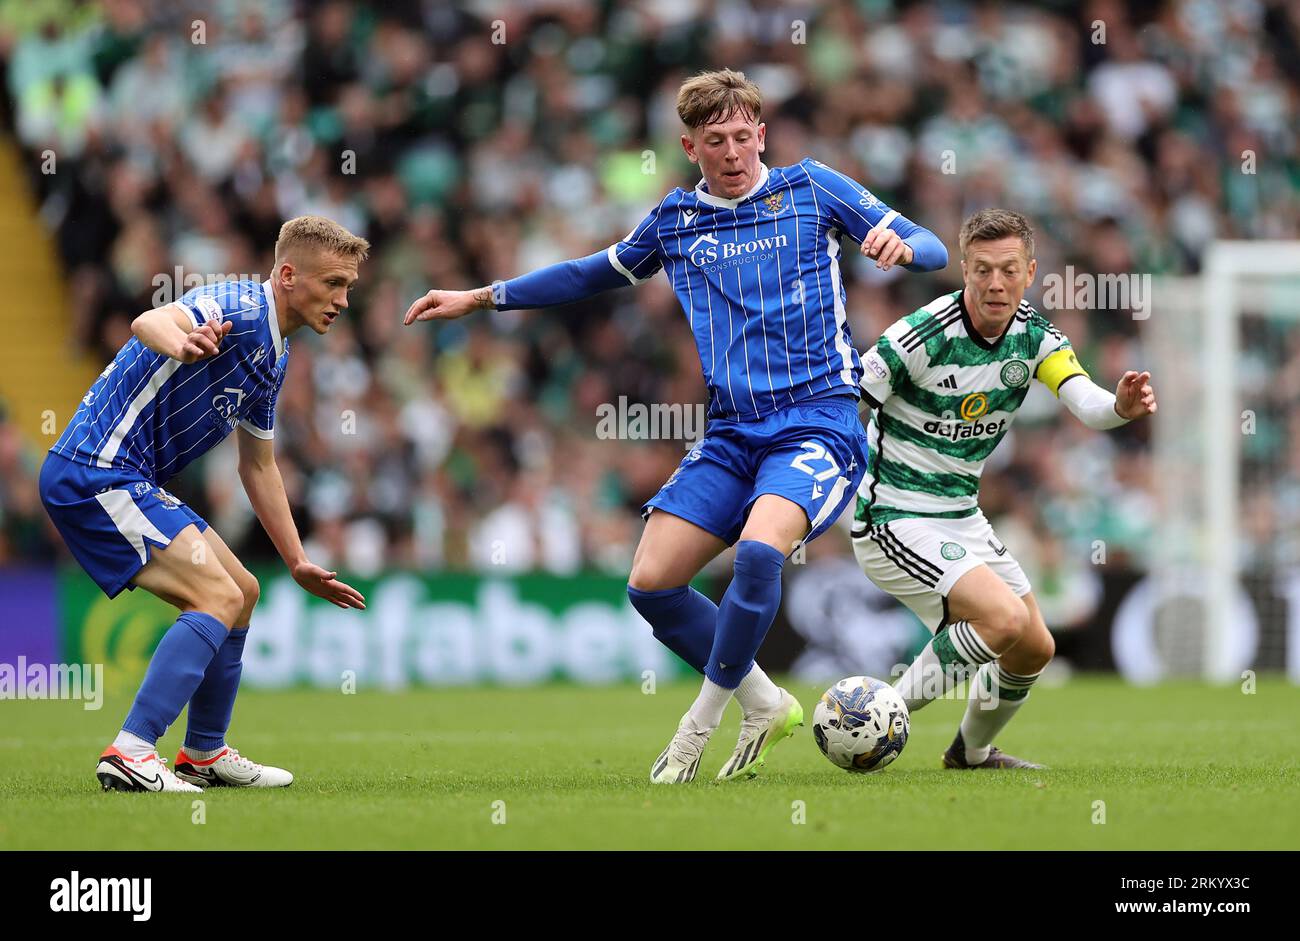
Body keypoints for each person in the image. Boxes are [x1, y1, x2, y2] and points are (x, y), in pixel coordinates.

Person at [404, 69, 947, 783]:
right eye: (715, 140)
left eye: (743, 136)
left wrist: (905, 250)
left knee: (758, 554)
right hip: (732, 432)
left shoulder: (814, 189)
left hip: (819, 420)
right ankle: (765, 702)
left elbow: (932, 245)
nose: (733, 152)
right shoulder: (675, 220)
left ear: (762, 134)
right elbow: (588, 274)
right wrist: (482, 297)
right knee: (651, 584)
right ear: (691, 147)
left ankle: (699, 726)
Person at [40, 216, 370, 792]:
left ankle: (203, 753)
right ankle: (132, 751)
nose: (343, 300)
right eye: (333, 283)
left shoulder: (275, 354)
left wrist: (296, 561)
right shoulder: (238, 308)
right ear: (288, 275)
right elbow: (150, 320)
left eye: (348, 287)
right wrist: (182, 341)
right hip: (97, 472)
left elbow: (258, 465)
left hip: (130, 478)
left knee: (242, 591)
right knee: (216, 595)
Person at [852, 208, 1157, 769]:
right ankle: (872, 717)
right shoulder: (919, 336)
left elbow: (1085, 400)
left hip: (960, 516)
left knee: (1034, 646)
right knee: (1003, 620)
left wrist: (1118, 407)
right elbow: (847, 406)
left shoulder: (1036, 338)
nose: (996, 283)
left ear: (1030, 272)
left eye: (1010, 270)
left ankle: (970, 753)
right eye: (983, 270)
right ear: (965, 269)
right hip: (893, 516)